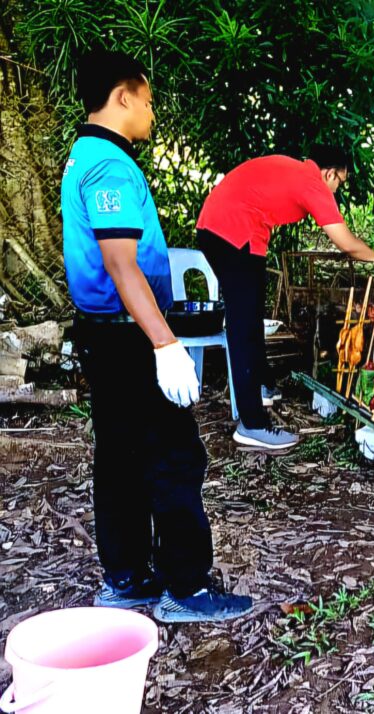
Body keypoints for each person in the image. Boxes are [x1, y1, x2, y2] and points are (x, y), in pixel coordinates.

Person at [63, 49, 252, 622]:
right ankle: (186, 588)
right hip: (127, 338)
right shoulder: (110, 166)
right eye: (147, 100)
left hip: (105, 333)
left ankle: (128, 577)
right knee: (173, 456)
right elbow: (121, 264)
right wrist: (166, 344)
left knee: (119, 455)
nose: (151, 111)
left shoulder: (85, 156)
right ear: (123, 95)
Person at [196, 148, 374, 449]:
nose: (336, 189)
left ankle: (262, 386)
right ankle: (252, 423)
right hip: (233, 233)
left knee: (250, 314)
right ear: (331, 174)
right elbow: (345, 243)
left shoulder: (295, 170)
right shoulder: (312, 182)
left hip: (226, 230)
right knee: (243, 325)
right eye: (339, 182)